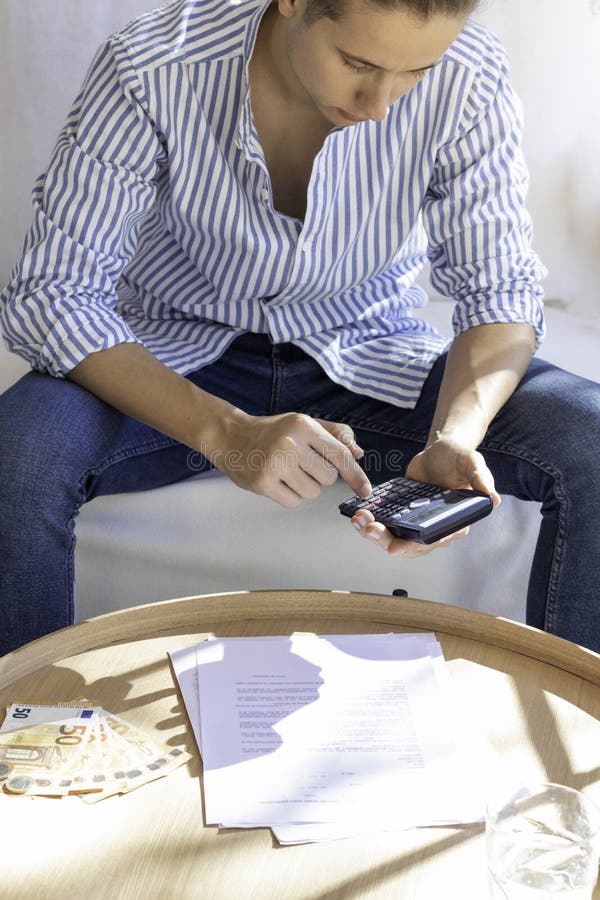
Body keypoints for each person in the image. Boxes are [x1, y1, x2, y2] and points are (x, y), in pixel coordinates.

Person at [0, 0, 598, 656]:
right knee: (18, 456)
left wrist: (455, 434)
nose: (379, 105)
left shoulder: (471, 76)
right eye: (357, 63)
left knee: (592, 440)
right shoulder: (151, 66)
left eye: (415, 72)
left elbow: (501, 296)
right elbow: (53, 294)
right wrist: (223, 432)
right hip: (175, 349)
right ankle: (21, 738)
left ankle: (580, 730)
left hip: (370, 350)